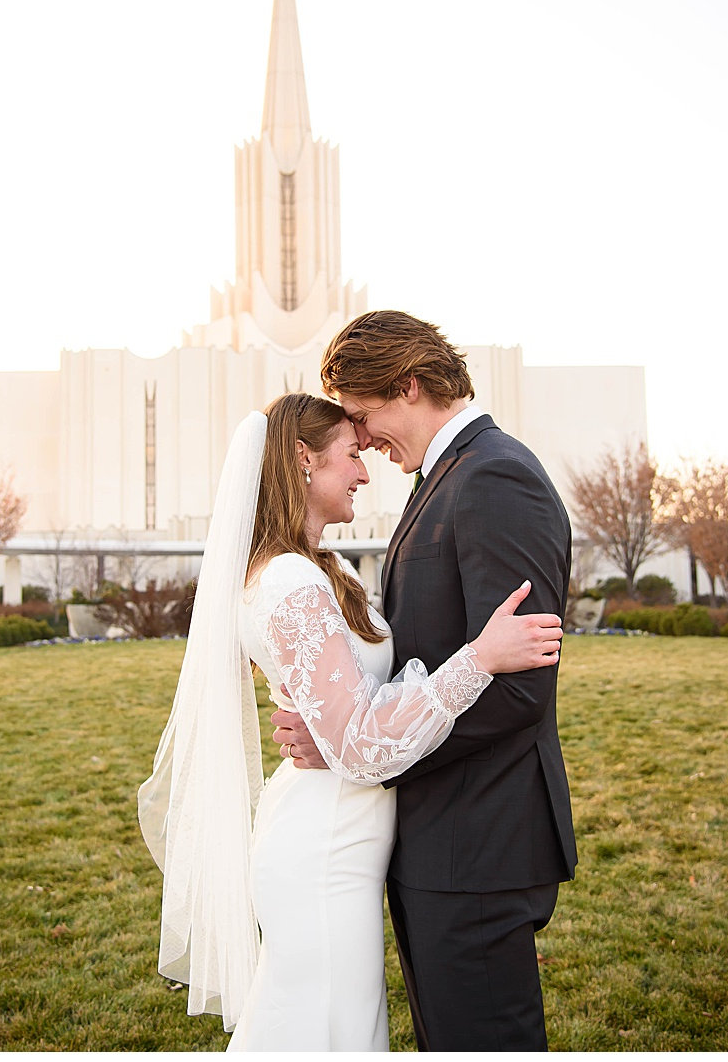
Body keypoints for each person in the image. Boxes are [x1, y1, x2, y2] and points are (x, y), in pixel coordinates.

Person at [138, 393, 563, 1050]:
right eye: (352, 455)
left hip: (344, 837)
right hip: (323, 848)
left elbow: (348, 715)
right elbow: (362, 744)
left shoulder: (318, 571)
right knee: (325, 1028)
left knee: (338, 1025)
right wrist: (480, 656)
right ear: (304, 460)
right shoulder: (287, 582)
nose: (365, 471)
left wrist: (333, 727)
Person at [274, 309, 577, 1051]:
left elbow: (519, 683)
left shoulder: (496, 476)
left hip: (478, 842)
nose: (366, 439)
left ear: (407, 386)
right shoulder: (446, 476)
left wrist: (366, 748)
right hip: (443, 840)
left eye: (365, 415)